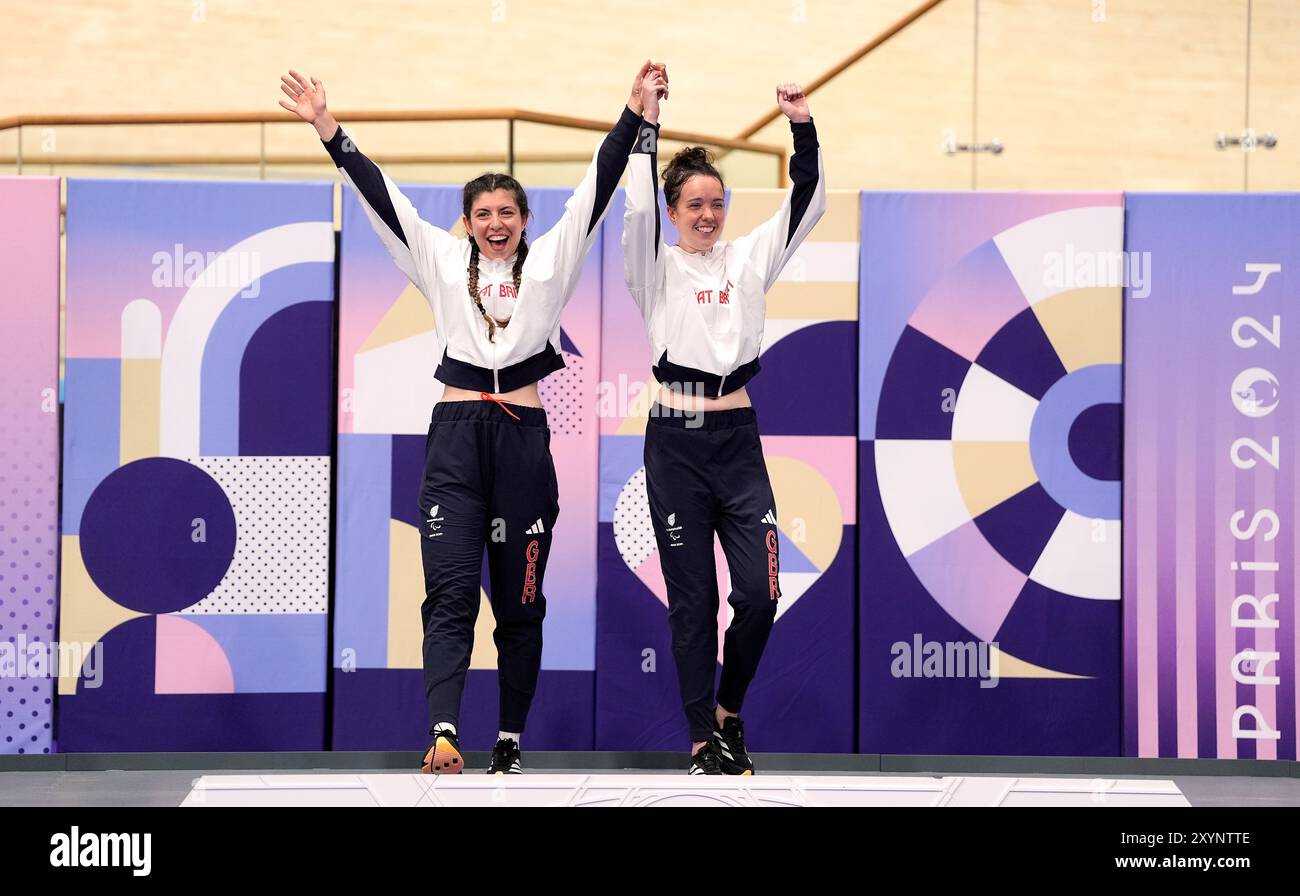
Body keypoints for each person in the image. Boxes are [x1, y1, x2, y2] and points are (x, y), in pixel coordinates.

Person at [280, 63, 667, 774]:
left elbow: (598, 187)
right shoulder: (439, 257)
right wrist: (327, 129)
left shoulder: (552, 262)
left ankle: (511, 740)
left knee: (521, 606)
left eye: (508, 214)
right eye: (483, 214)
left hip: (523, 445)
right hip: (456, 445)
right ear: (467, 222)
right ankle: (445, 733)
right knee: (451, 593)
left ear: (525, 220)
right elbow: (383, 198)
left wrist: (632, 113)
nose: (496, 224)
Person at [621, 83, 825, 774]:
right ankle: (703, 740)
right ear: (675, 212)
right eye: (694, 205)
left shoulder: (748, 260)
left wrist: (802, 126)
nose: (707, 215)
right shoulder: (653, 264)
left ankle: (729, 712)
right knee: (694, 603)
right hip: (674, 444)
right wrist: (649, 122)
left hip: (738, 444)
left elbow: (805, 202)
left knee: (761, 592)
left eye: (716, 204)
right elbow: (639, 204)